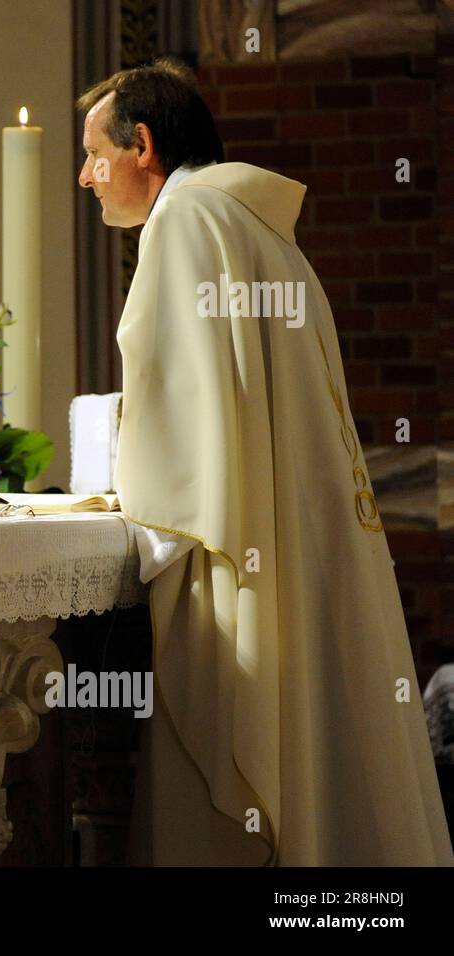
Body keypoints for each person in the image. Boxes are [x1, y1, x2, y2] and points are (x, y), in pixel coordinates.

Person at [76, 57, 453, 866]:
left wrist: (125, 496)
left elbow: (187, 422)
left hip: (239, 556)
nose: (84, 176)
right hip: (298, 542)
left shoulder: (185, 223)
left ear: (142, 145)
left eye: (95, 155)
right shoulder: (257, 227)